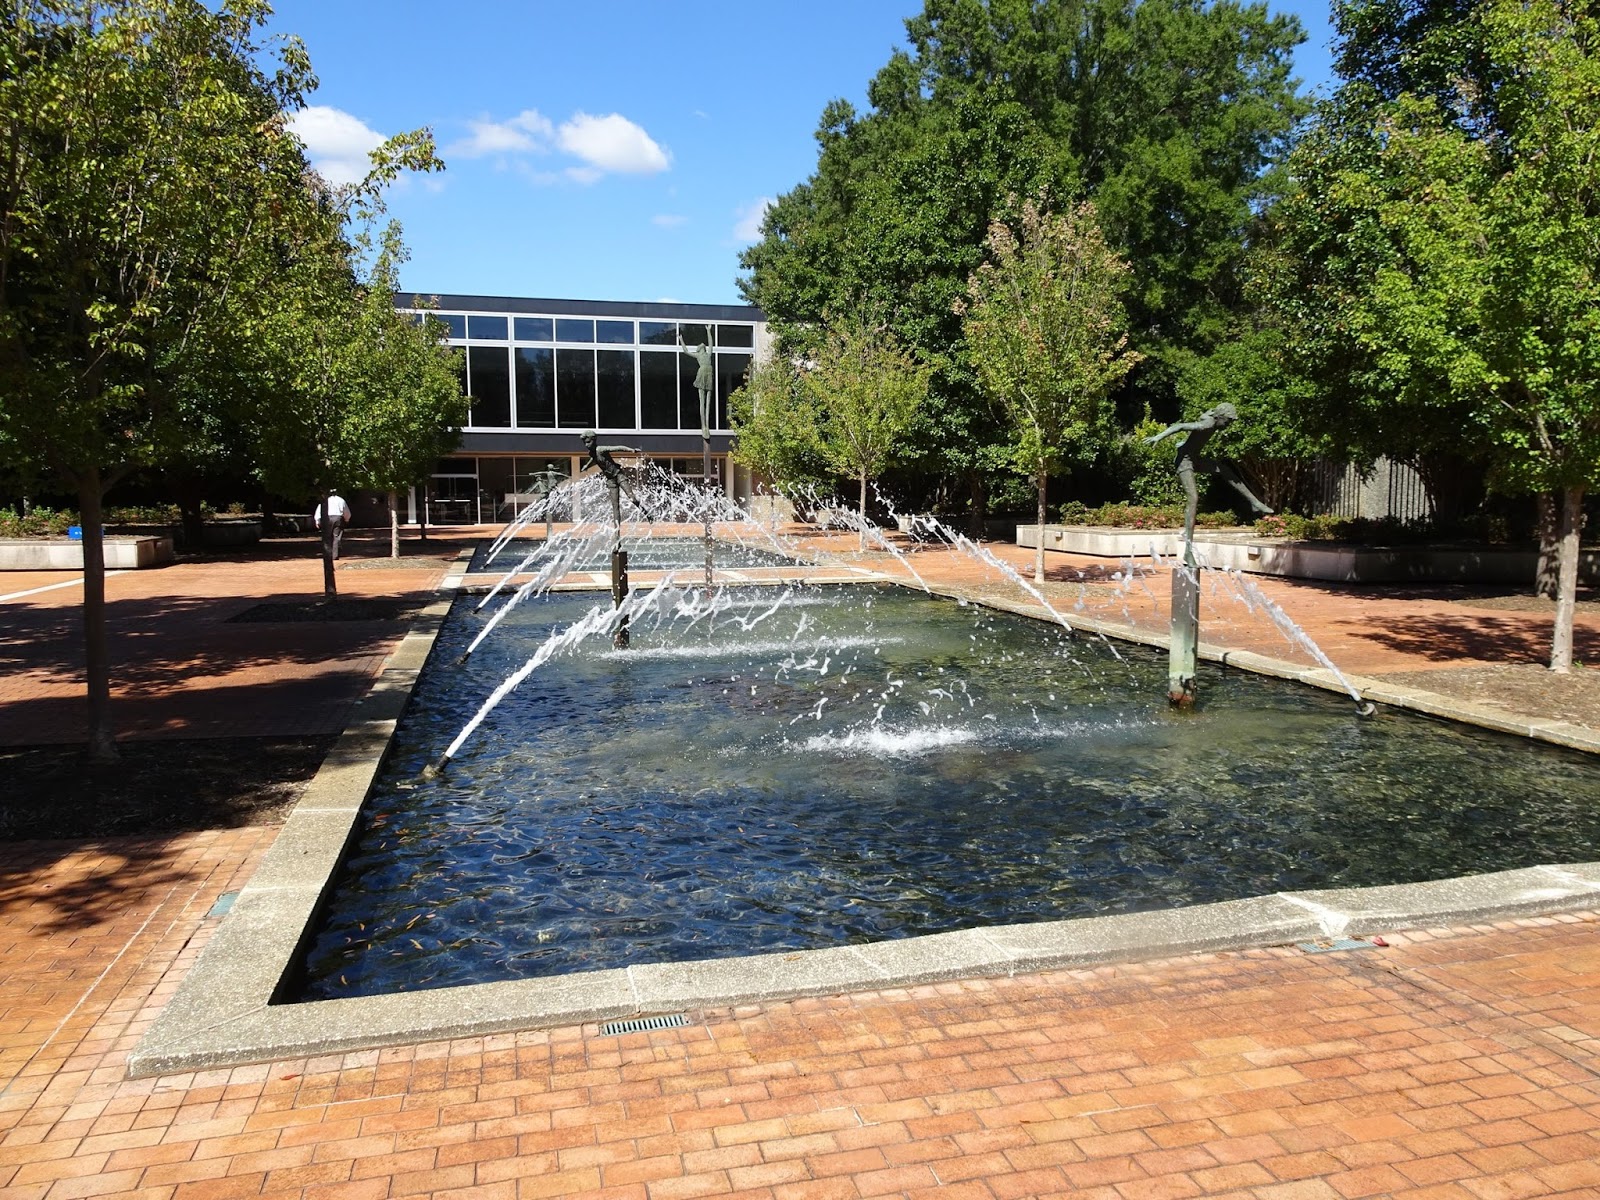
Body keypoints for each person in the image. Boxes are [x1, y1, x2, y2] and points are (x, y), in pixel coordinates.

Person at [1145, 403, 1273, 544]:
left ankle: (1255, 503)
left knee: (1225, 470)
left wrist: (1187, 440)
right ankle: (1188, 548)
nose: (1228, 424)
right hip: (1184, 462)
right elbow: (1179, 426)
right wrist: (1158, 437)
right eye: (1227, 421)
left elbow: (1205, 414)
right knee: (1193, 499)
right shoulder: (1206, 425)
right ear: (1219, 418)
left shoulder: (1211, 419)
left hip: (1195, 459)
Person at [312, 492, 350, 559]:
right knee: (336, 536)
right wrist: (347, 519)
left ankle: (327, 554)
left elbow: (319, 510)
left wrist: (317, 521)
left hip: (327, 518)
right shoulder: (341, 500)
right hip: (338, 518)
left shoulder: (325, 500)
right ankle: (335, 555)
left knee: (327, 536)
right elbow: (346, 511)